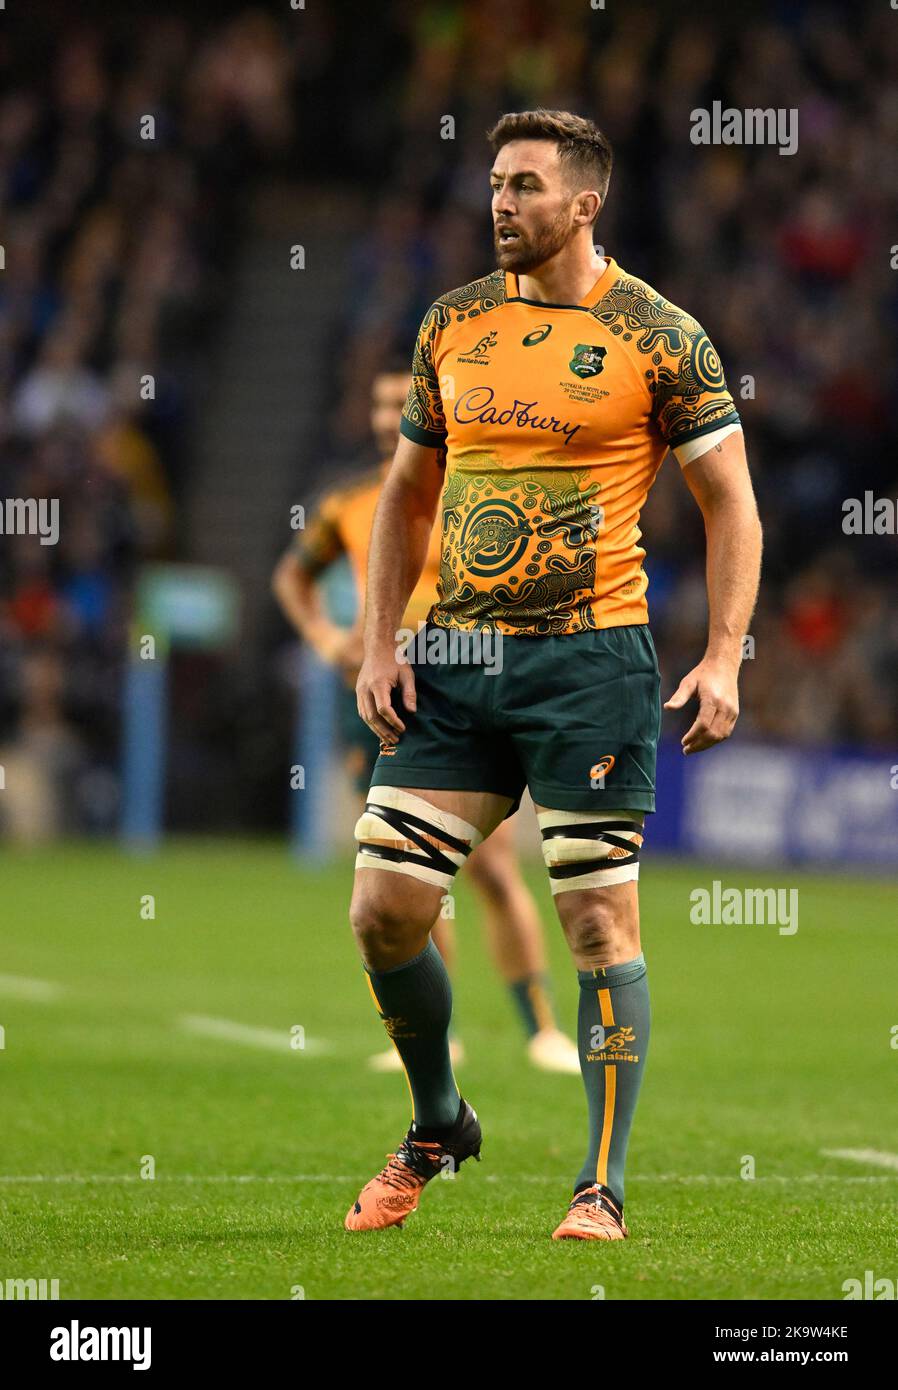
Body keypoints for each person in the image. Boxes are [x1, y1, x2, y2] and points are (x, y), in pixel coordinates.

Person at [345, 110, 762, 1239]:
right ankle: (438, 1120)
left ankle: (601, 1185)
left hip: (589, 662)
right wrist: (382, 638)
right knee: (385, 907)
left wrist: (723, 654)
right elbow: (403, 499)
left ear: (584, 204)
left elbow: (730, 504)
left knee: (597, 929)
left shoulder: (660, 334)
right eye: (494, 183)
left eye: (524, 185)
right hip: (457, 658)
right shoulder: (454, 322)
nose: (500, 202)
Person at [272, 361, 581, 1075]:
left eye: (399, 404)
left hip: (460, 686)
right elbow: (292, 575)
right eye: (380, 407)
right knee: (403, 875)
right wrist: (326, 638)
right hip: (381, 693)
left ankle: (541, 1028)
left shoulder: (472, 489)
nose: (389, 419)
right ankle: (435, 1036)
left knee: (493, 870)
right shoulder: (348, 502)